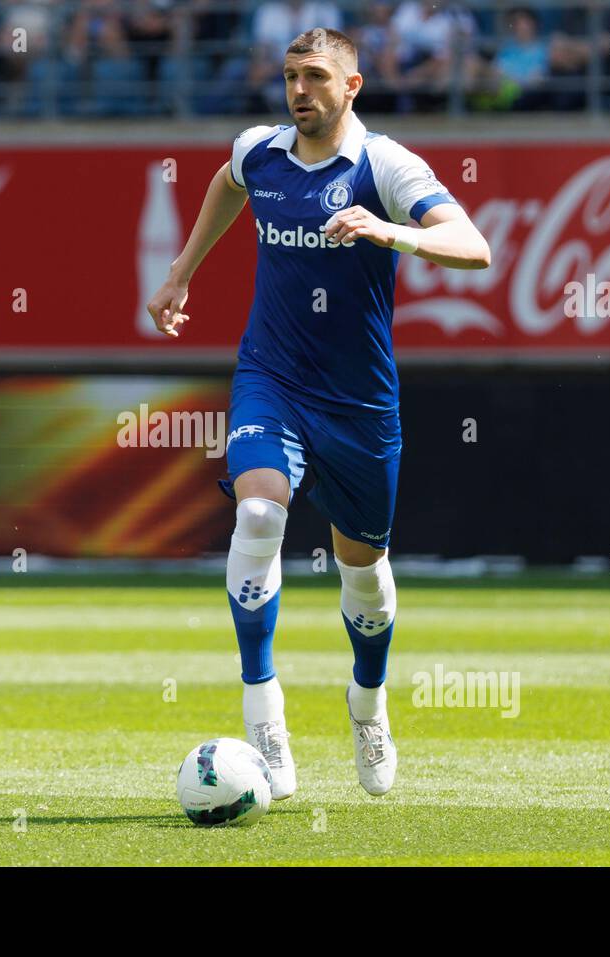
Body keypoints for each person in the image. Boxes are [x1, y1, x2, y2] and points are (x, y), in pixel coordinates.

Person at [145, 28, 490, 797]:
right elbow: (226, 182)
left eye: (316, 76)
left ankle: (367, 703)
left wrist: (387, 229)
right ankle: (263, 711)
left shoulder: (383, 165)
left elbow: (475, 247)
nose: (300, 90)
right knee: (259, 518)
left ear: (353, 85)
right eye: (290, 75)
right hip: (271, 376)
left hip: (360, 404)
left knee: (360, 573)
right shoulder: (260, 152)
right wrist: (181, 272)